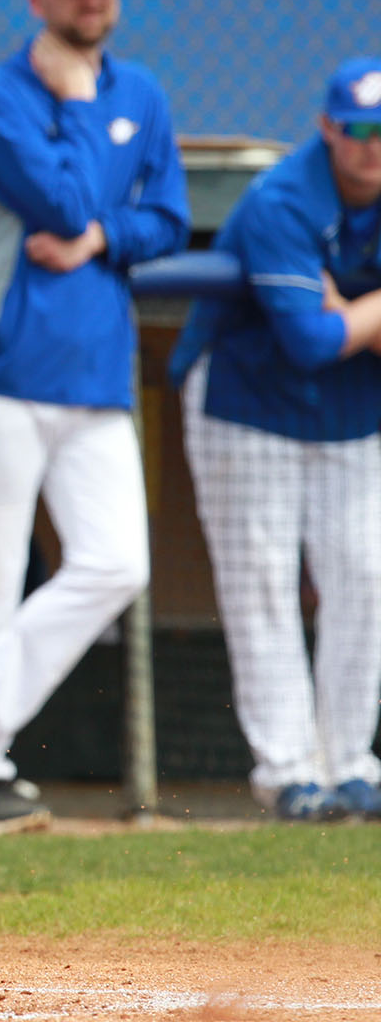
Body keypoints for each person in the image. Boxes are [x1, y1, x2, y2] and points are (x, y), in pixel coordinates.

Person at [0, 0, 189, 831]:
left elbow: (167, 220)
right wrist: (78, 111)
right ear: (38, 0)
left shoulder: (142, 92)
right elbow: (60, 201)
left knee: (116, 563)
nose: (90, 1)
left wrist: (102, 238)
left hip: (95, 369)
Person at [166, 57, 381, 823]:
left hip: (351, 413)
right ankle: (289, 771)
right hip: (245, 403)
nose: (372, 146)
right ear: (327, 128)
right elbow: (309, 341)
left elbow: (334, 333)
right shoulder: (282, 196)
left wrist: (351, 313)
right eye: (359, 129)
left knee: (366, 576)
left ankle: (351, 763)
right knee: (261, 584)